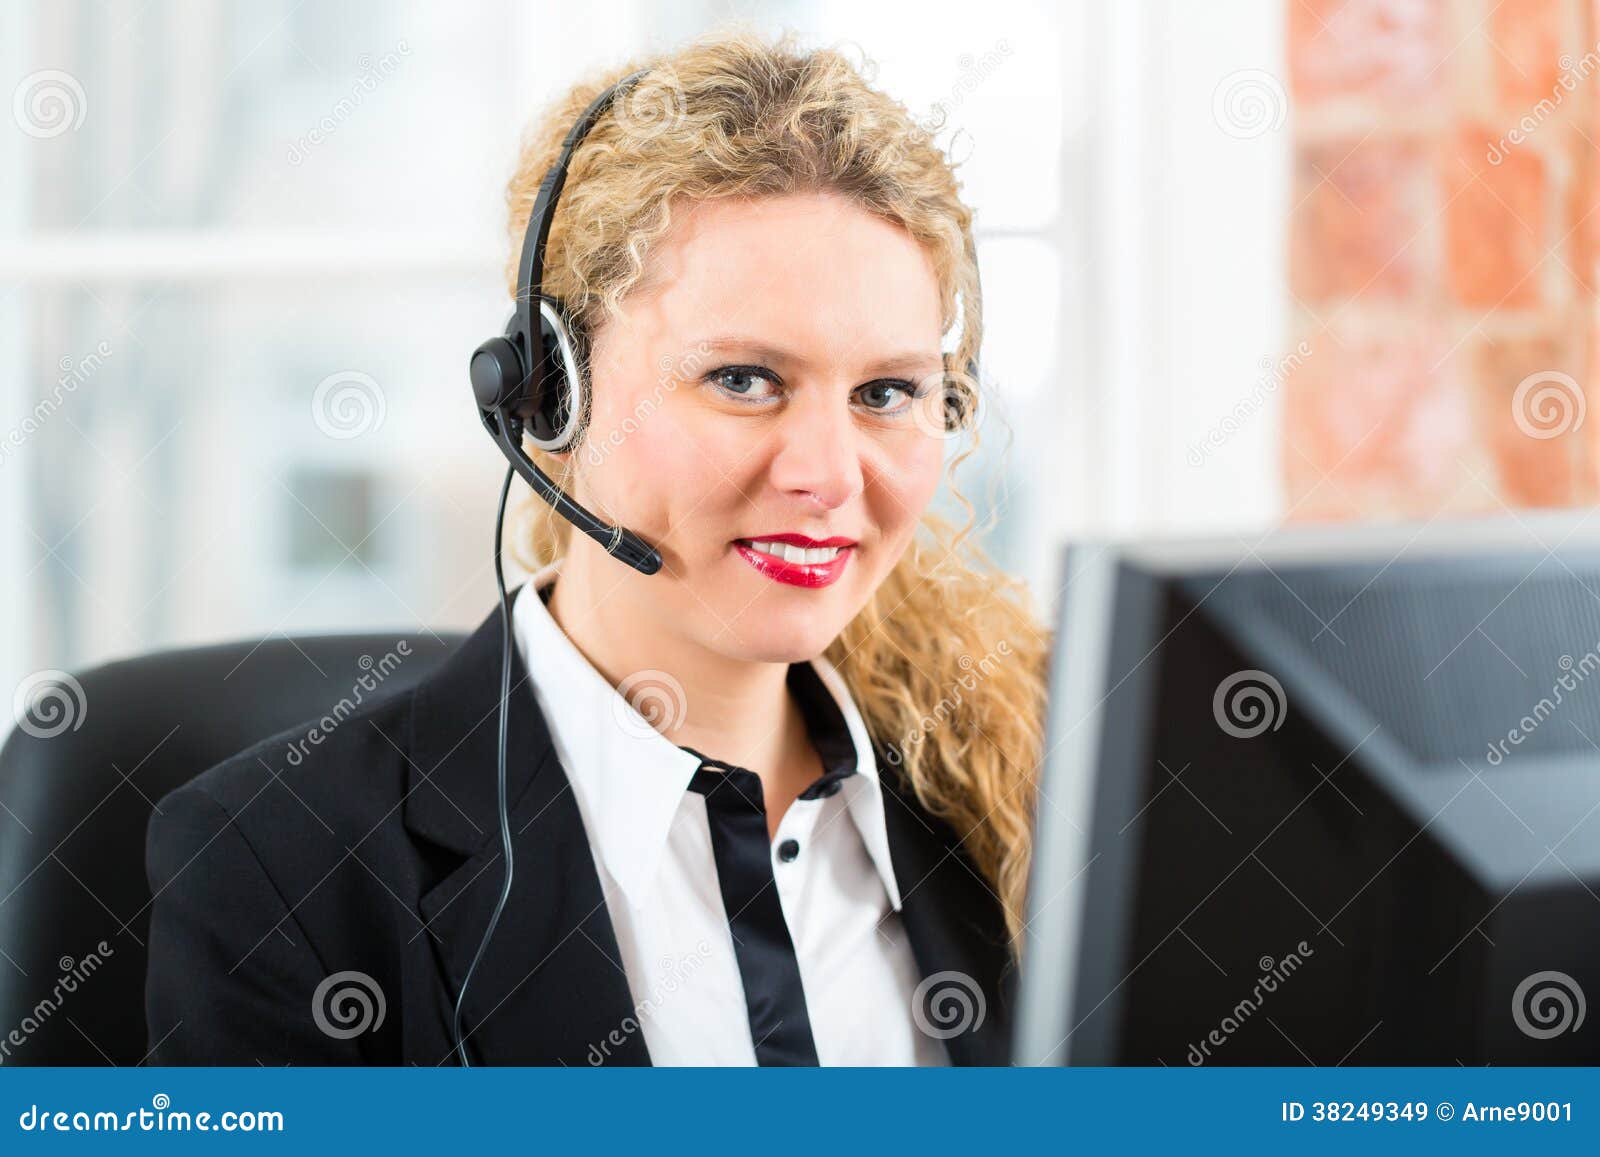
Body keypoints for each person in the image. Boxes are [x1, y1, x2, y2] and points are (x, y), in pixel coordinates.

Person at [144, 27, 1048, 1066]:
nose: (832, 475)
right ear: (550, 394)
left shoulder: (1027, 796)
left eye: (886, 392)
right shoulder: (279, 867)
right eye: (745, 379)